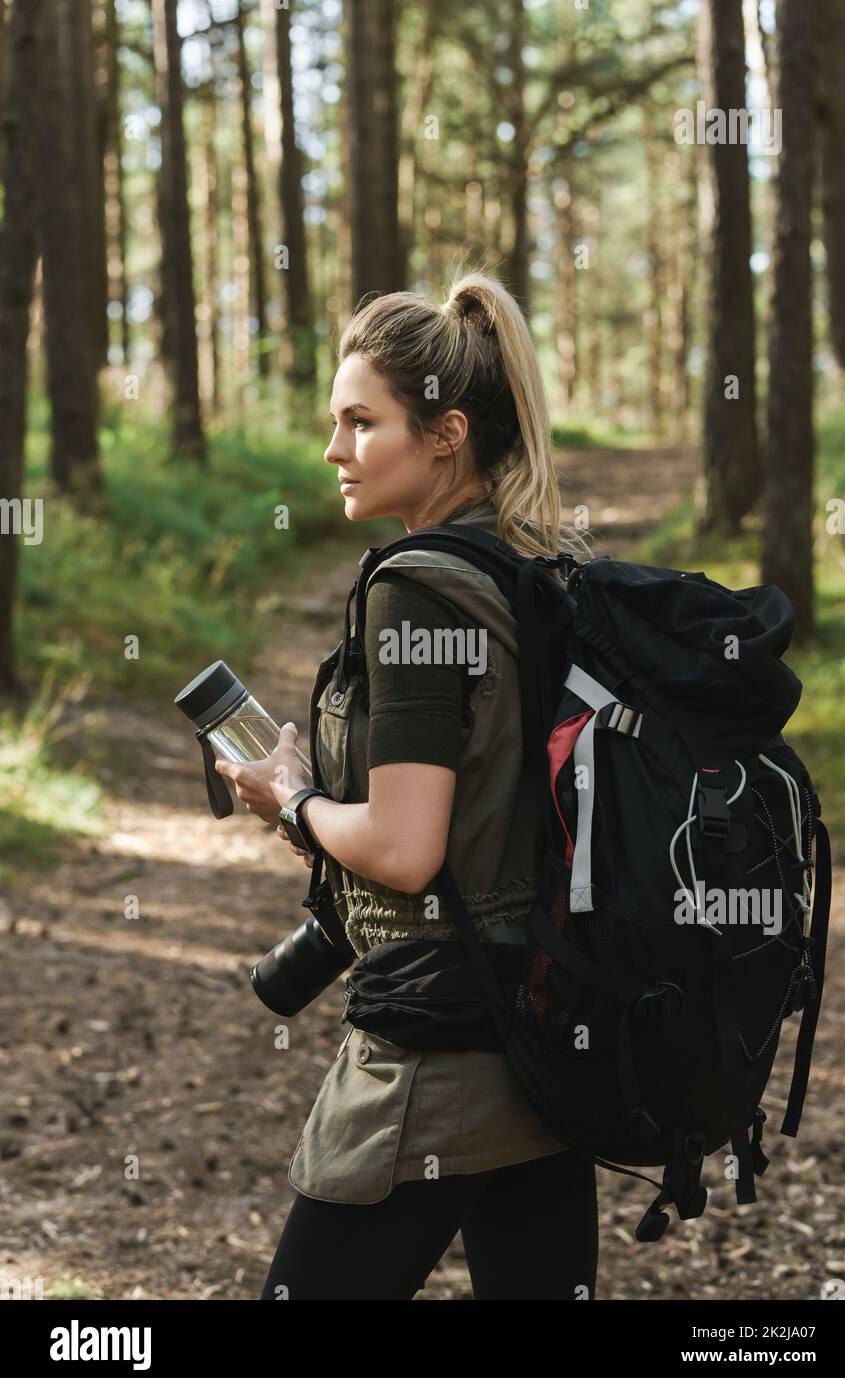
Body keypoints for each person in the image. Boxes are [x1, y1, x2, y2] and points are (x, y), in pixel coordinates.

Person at [215, 269, 599, 1300]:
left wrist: (292, 799)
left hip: (436, 1048)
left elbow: (406, 848)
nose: (332, 450)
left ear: (445, 433)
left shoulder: (419, 587)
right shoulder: (534, 565)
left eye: (358, 421)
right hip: (544, 1035)